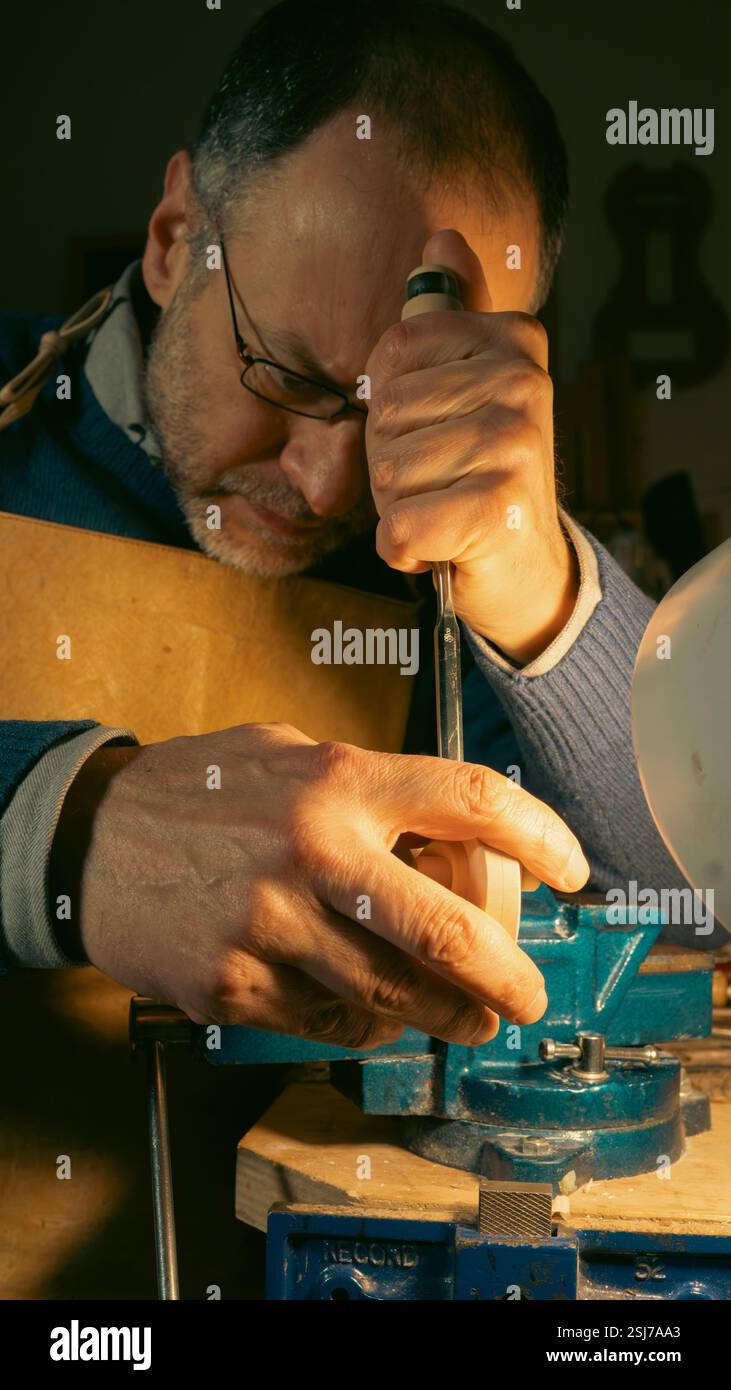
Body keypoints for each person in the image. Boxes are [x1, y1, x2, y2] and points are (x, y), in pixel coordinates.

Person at [1, 0, 718, 1055]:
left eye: (393, 413)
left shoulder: (434, 550)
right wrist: (61, 830)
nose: (329, 484)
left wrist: (541, 595)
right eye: (287, 375)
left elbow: (683, 903)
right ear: (171, 242)